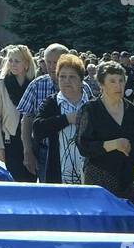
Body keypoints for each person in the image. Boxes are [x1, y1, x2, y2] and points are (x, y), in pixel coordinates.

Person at [76, 61, 134, 203]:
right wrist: (113, 144)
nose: (118, 86)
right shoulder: (90, 109)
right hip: (99, 178)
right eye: (112, 81)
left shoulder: (132, 111)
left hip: (126, 179)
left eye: (121, 81)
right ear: (102, 84)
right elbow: (83, 145)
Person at [33, 53, 91, 185]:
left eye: (72, 77)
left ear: (81, 80)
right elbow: (37, 129)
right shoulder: (51, 102)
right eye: (62, 77)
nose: (67, 81)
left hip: (88, 174)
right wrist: (66, 119)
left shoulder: (91, 105)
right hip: (57, 173)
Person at [18, 43, 66, 179]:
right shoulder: (36, 85)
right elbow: (27, 120)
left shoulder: (81, 86)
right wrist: (27, 151)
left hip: (73, 151)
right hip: (44, 151)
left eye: (55, 62)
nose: (51, 67)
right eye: (48, 62)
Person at [0, 44, 38, 182]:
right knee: (16, 181)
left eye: (17, 61)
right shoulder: (1, 83)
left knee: (31, 180)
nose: (13, 64)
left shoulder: (34, 83)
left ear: (26, 64)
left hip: (31, 139)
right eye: (10, 60)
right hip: (11, 140)